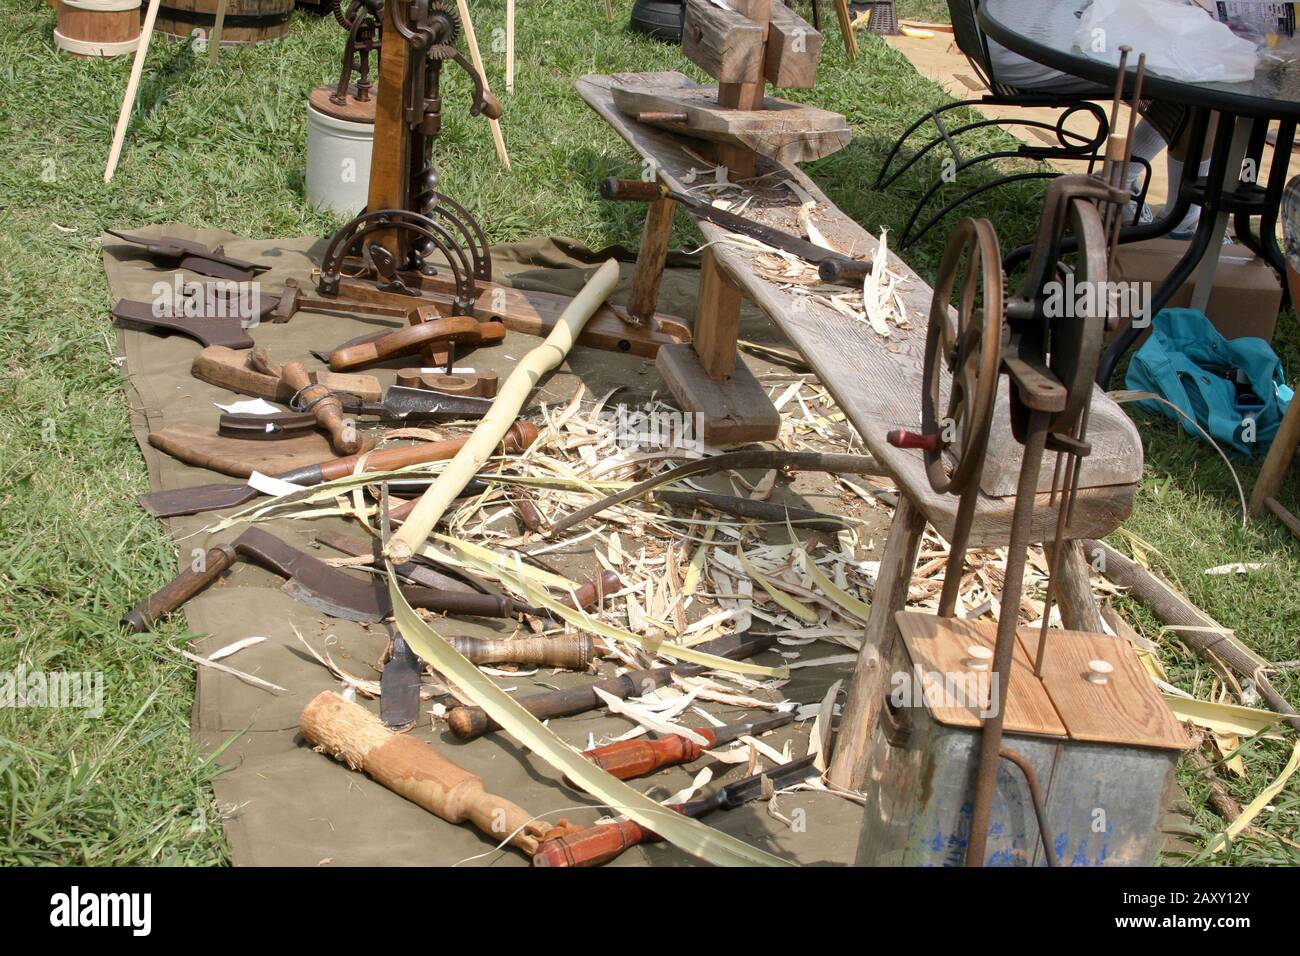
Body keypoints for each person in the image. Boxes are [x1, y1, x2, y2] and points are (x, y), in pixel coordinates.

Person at [982, 6, 1213, 237]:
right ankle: (1182, 227)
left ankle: (1113, 183)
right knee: (1206, 77)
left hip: (1002, 33)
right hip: (1034, 46)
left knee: (1196, 54)